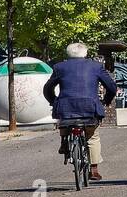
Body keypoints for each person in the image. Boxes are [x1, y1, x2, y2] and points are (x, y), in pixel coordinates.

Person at [42, 43, 117, 182]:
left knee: (64, 122)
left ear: (68, 54)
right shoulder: (95, 66)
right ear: (85, 53)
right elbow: (111, 87)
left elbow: (47, 88)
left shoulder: (59, 67)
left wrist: (54, 101)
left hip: (66, 107)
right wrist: (106, 100)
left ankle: (65, 141)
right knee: (93, 136)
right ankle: (94, 170)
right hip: (89, 108)